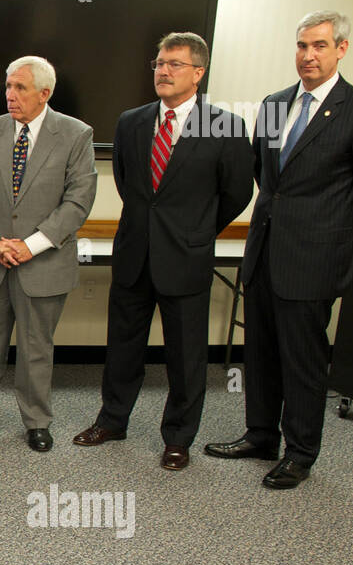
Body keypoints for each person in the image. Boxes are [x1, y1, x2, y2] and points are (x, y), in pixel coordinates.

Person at [205, 11, 353, 488]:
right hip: (265, 251)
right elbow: (265, 176)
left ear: (341, 50)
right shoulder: (274, 103)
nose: (308, 55)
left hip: (315, 259)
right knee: (262, 351)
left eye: (319, 46)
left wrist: (332, 237)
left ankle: (301, 452)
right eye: (301, 46)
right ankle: (260, 435)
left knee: (303, 361)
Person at [73, 33, 253, 471]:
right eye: (158, 63)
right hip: (135, 254)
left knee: (186, 358)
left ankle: (178, 438)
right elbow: (130, 186)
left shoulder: (225, 127)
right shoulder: (131, 122)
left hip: (186, 258)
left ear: (198, 73)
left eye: (174, 64)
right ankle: (113, 420)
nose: (163, 71)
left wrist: (195, 231)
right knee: (123, 349)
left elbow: (236, 193)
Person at [0, 56, 96, 452]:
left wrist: (29, 244)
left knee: (36, 349)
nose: (10, 95)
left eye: (20, 88)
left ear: (44, 93)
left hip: (44, 262)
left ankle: (36, 421)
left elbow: (77, 203)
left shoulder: (75, 134)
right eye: (7, 86)